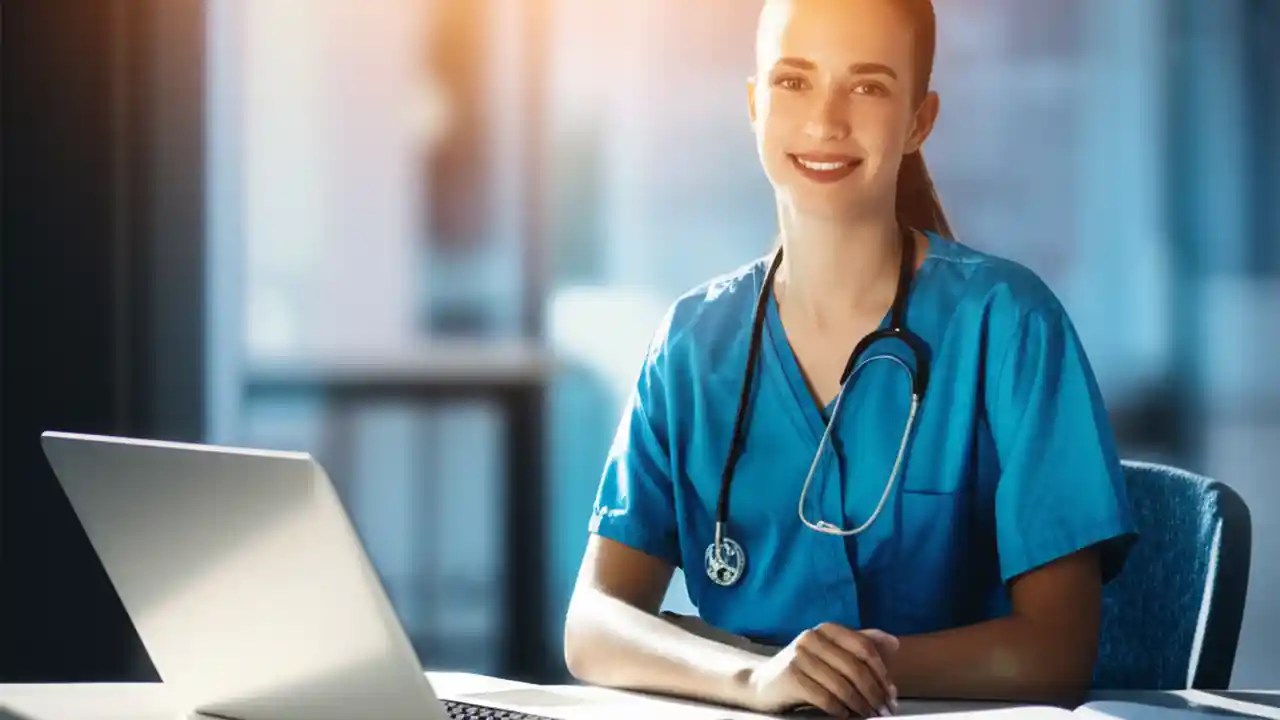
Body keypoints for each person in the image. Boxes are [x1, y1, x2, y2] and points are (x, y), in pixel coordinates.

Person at [562, 0, 1137, 717]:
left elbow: (1055, 652)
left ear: (919, 121)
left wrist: (818, 672)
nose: (826, 120)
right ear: (754, 105)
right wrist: (757, 678)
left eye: (867, 86)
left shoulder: (1010, 324)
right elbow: (594, 624)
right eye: (794, 82)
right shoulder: (689, 347)